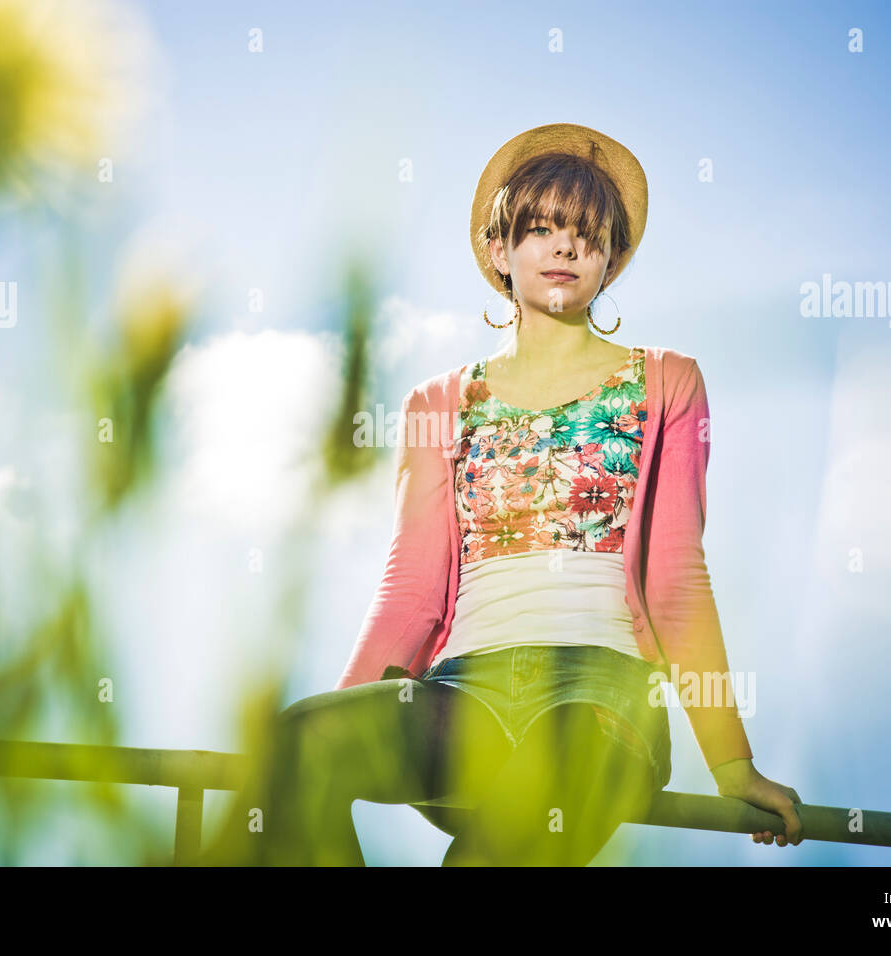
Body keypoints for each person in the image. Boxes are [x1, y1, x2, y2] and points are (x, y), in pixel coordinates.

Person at [200, 123, 802, 866]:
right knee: (298, 740)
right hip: (462, 696)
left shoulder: (668, 381)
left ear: (611, 258)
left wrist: (732, 764)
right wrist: (341, 723)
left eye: (587, 233)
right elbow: (411, 589)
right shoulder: (439, 403)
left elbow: (676, 577)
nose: (564, 248)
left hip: (602, 702)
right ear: (499, 250)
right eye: (541, 228)